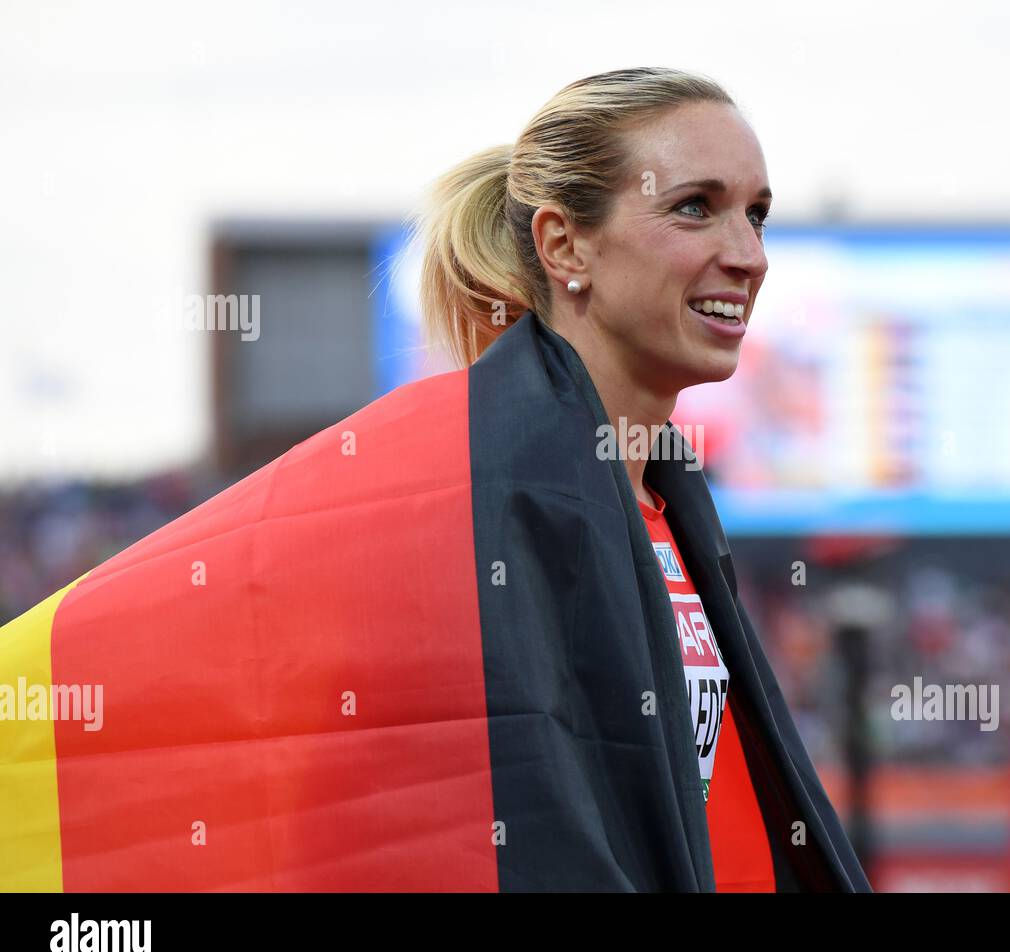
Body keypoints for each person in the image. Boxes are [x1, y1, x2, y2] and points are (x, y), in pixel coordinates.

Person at [0, 66, 870, 893]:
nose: (747, 254)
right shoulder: (458, 501)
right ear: (564, 244)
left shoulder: (672, 507)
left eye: (755, 214)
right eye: (695, 209)